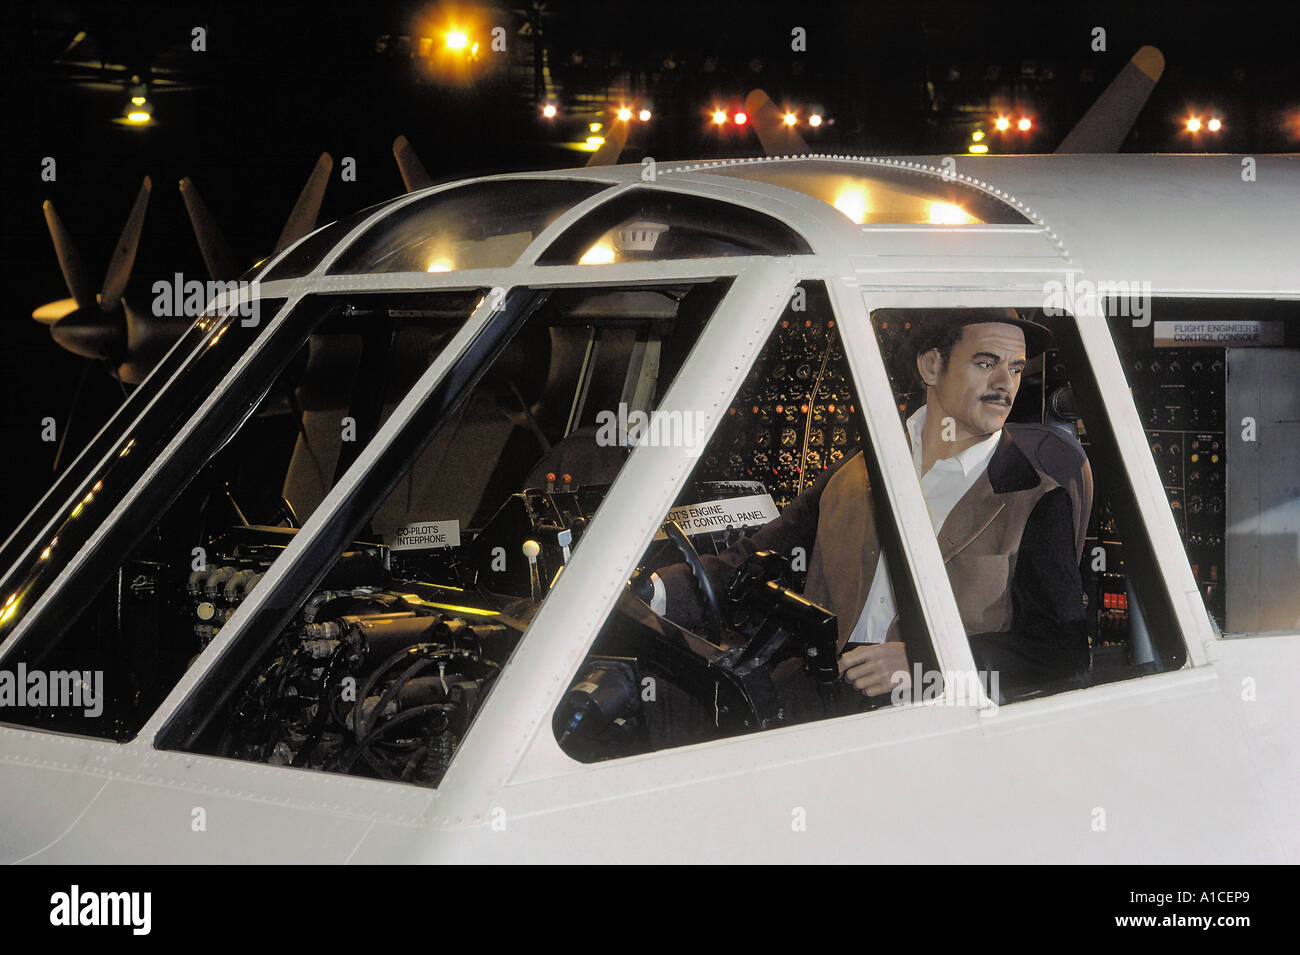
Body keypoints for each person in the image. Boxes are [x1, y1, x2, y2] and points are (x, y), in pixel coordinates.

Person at [649, 310, 1090, 708]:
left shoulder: (1037, 499)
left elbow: (1061, 651)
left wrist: (926, 663)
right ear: (931, 365)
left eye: (1015, 368)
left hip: (926, 722)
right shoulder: (858, 469)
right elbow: (753, 558)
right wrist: (652, 591)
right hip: (817, 694)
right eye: (986, 362)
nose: (1004, 385)